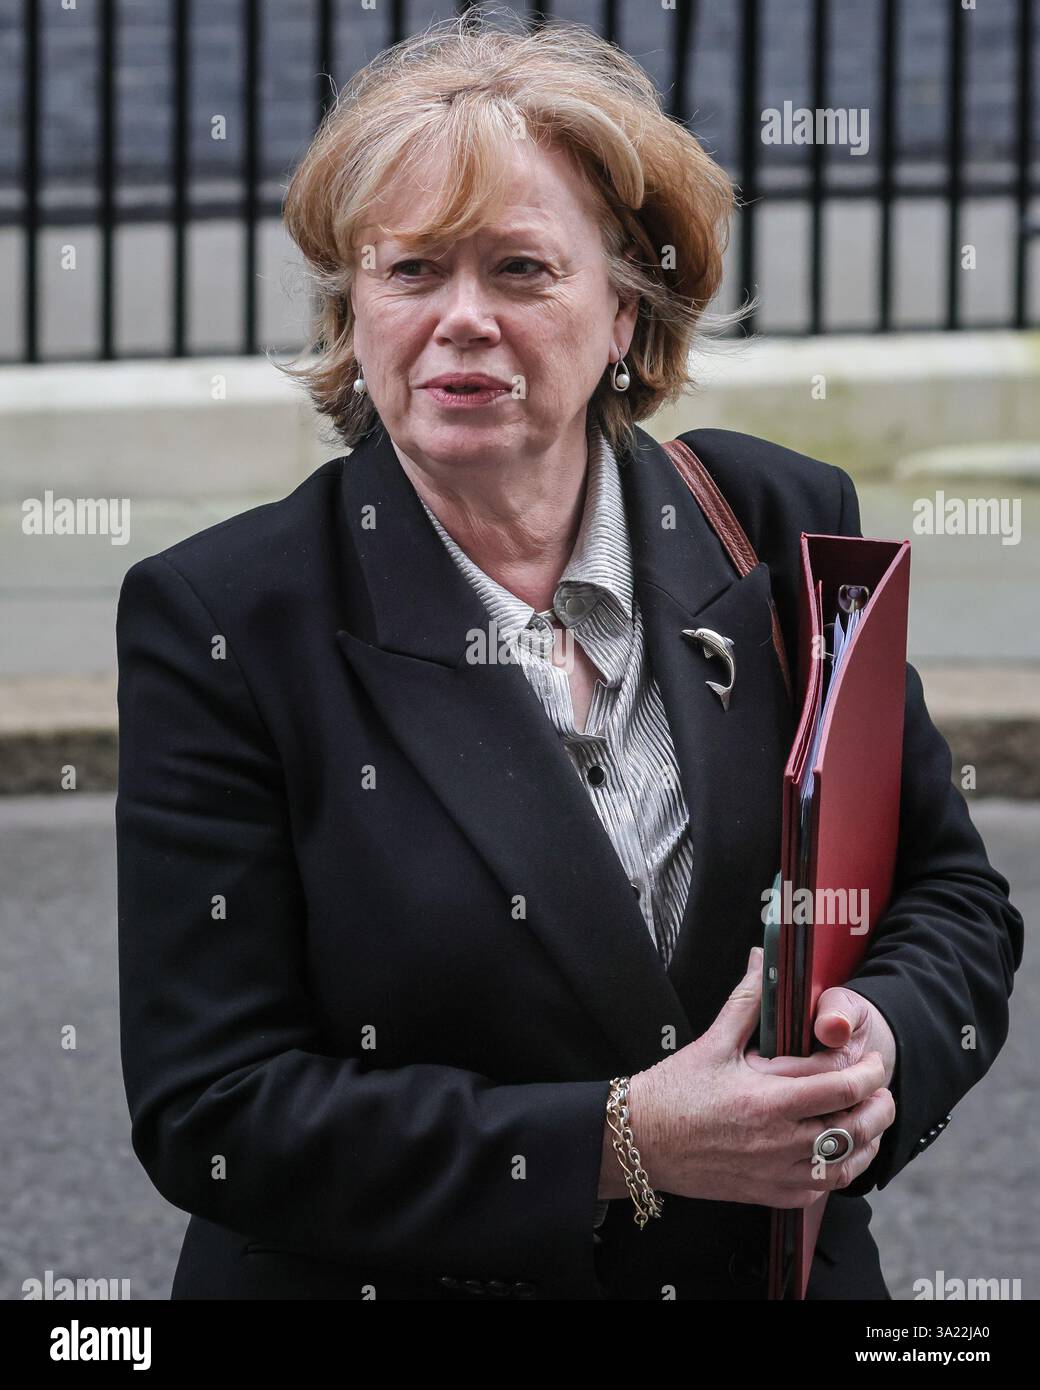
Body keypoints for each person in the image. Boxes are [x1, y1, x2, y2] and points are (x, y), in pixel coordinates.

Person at [115, 9, 1024, 1300]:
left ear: (625, 314)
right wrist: (622, 1142)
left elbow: (953, 897)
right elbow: (214, 1106)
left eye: (522, 270)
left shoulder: (774, 525)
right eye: (412, 270)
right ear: (354, 309)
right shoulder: (222, 613)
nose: (461, 319)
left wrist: (882, 1044)